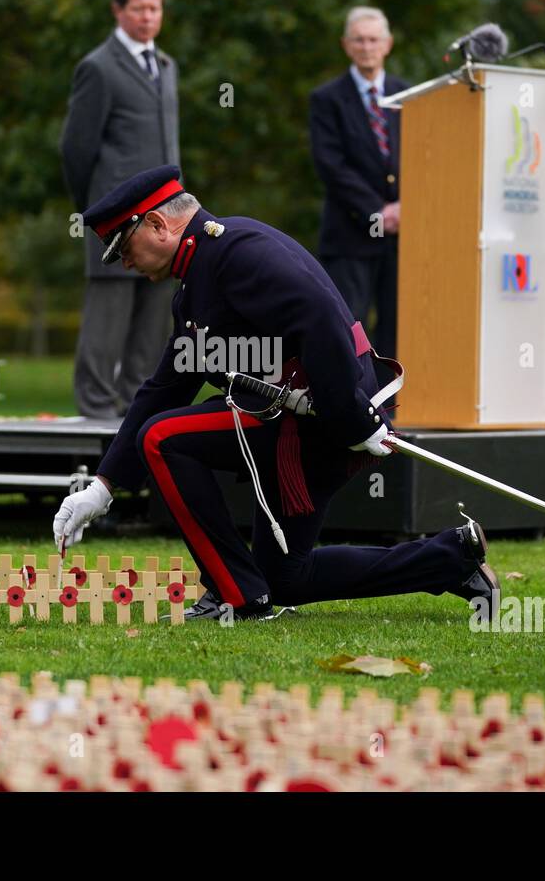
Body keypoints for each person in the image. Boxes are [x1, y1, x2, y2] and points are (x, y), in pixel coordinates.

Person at [52, 166, 498, 622]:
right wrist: (102, 487)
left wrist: (354, 420)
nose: (125, 263)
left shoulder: (235, 253)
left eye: (124, 248)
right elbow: (167, 386)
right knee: (286, 578)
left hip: (321, 419)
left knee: (161, 439)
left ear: (158, 225)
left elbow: (321, 321)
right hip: (305, 420)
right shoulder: (201, 276)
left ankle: (236, 597)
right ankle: (452, 559)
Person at [60, 0, 180, 419]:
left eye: (154, 9)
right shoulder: (98, 67)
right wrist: (93, 209)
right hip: (116, 216)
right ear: (118, 10)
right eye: (138, 9)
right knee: (108, 310)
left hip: (167, 218)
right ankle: (94, 409)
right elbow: (76, 149)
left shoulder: (166, 66)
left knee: (154, 314)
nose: (148, 17)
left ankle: (136, 407)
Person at [309, 6, 407, 358]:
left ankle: (394, 406)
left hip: (402, 238)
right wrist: (378, 212)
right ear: (346, 45)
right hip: (350, 236)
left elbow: (422, 155)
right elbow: (331, 165)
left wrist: (404, 210)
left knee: (399, 327)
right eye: (359, 40)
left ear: (388, 44)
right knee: (348, 330)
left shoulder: (407, 95)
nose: (367, 47)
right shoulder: (326, 99)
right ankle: (353, 406)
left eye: (374, 39)